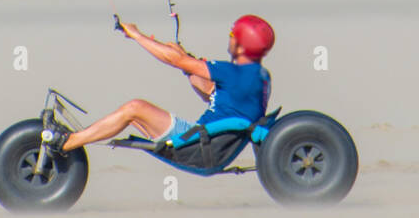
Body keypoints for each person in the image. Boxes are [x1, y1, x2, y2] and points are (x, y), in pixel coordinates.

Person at [51, 14, 275, 154]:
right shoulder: (259, 76)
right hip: (211, 142)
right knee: (134, 115)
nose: (229, 37)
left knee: (134, 108)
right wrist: (187, 63)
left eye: (232, 34)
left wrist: (137, 36)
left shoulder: (232, 72)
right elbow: (210, 92)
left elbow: (174, 60)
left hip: (197, 143)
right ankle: (76, 139)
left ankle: (68, 143)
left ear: (242, 45)